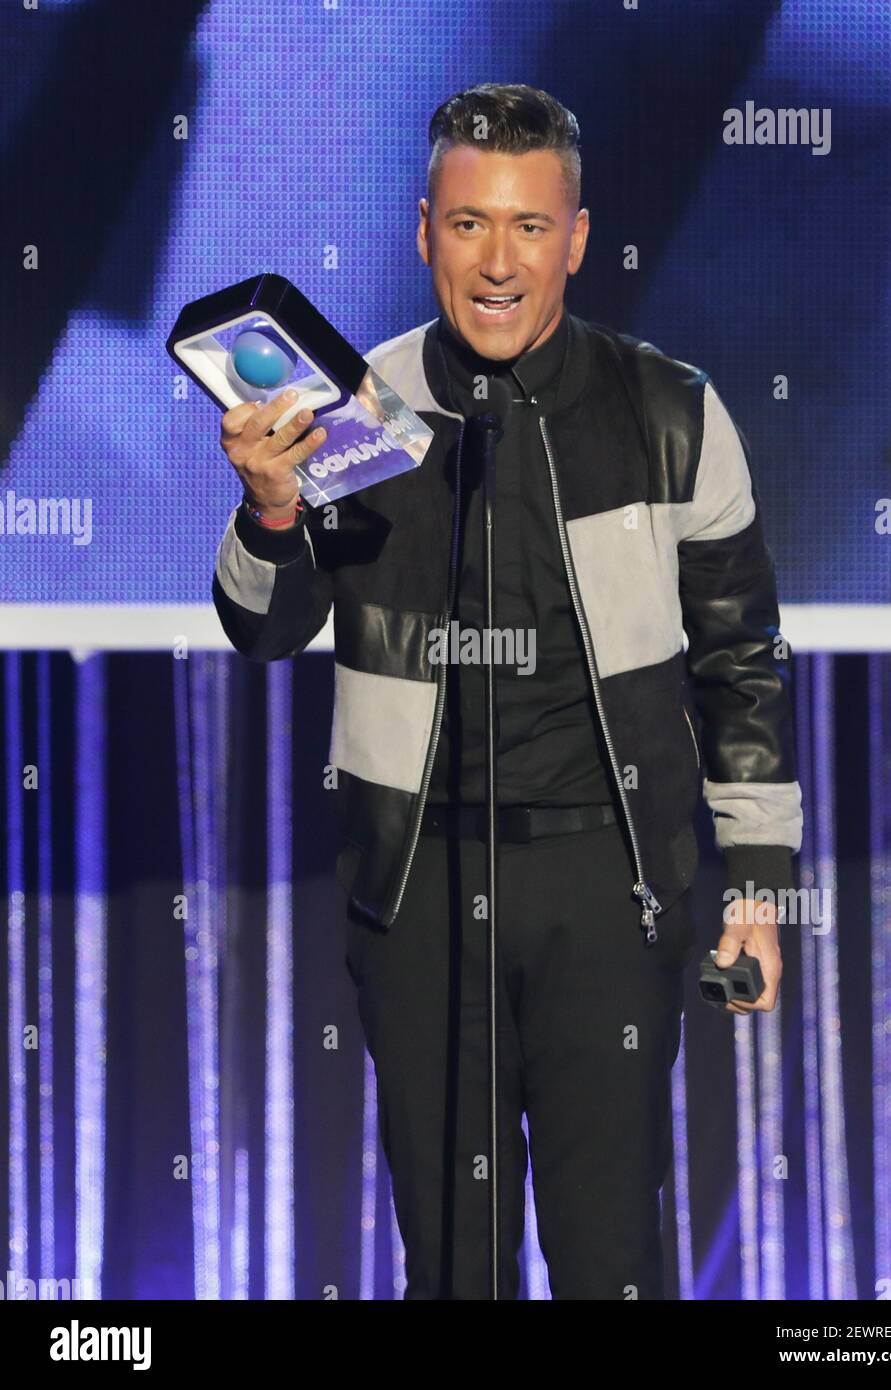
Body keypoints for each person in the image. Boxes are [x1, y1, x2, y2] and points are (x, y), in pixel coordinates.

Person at [212, 83, 803, 1300]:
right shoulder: (350, 416)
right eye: (469, 223)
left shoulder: (671, 412)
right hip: (420, 889)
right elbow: (265, 632)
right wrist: (273, 507)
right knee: (452, 1263)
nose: (497, 261)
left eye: (529, 227)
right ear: (423, 228)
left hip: (609, 884)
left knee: (608, 1259)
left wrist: (759, 884)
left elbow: (739, 655)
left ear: (576, 240)